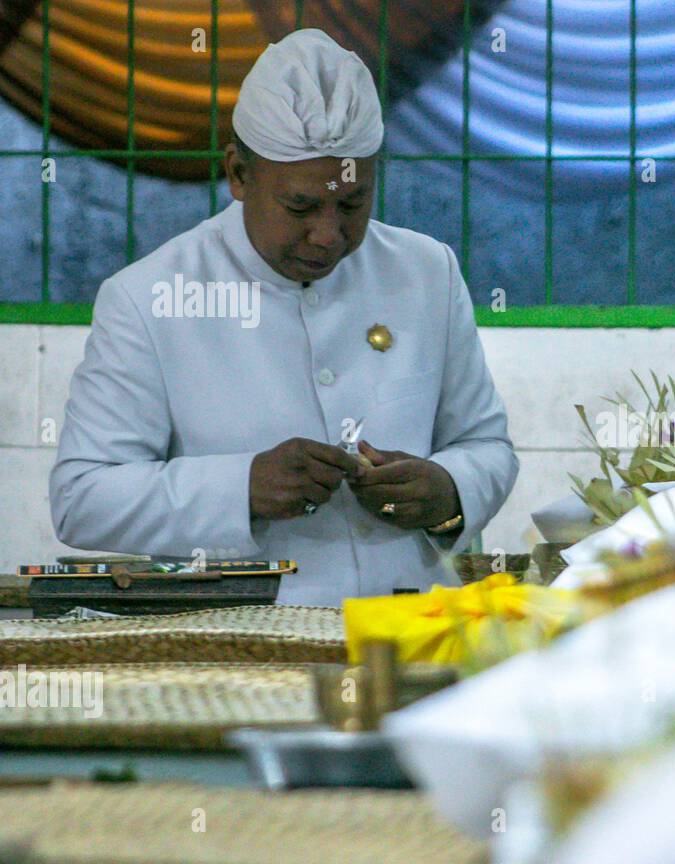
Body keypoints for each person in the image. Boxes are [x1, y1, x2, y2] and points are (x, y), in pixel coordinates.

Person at [50, 29, 518, 606]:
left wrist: (449, 492)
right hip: (234, 650)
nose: (328, 234)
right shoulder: (149, 297)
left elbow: (485, 446)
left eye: (352, 203)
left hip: (411, 628)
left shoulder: (426, 272)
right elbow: (82, 498)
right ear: (239, 176)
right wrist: (241, 486)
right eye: (300, 206)